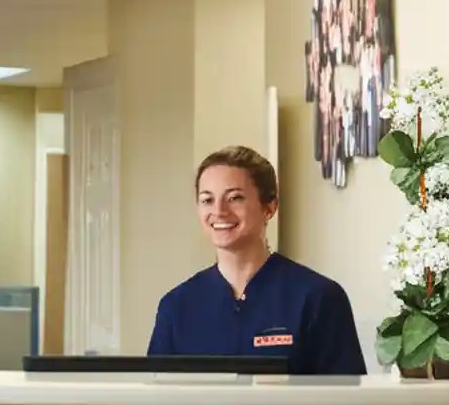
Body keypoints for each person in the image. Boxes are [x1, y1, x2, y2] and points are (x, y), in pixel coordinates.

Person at [147, 146, 366, 375]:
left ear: (269, 207)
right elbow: (157, 403)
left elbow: (348, 403)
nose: (219, 211)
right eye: (207, 200)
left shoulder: (318, 298)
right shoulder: (176, 307)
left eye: (235, 198)